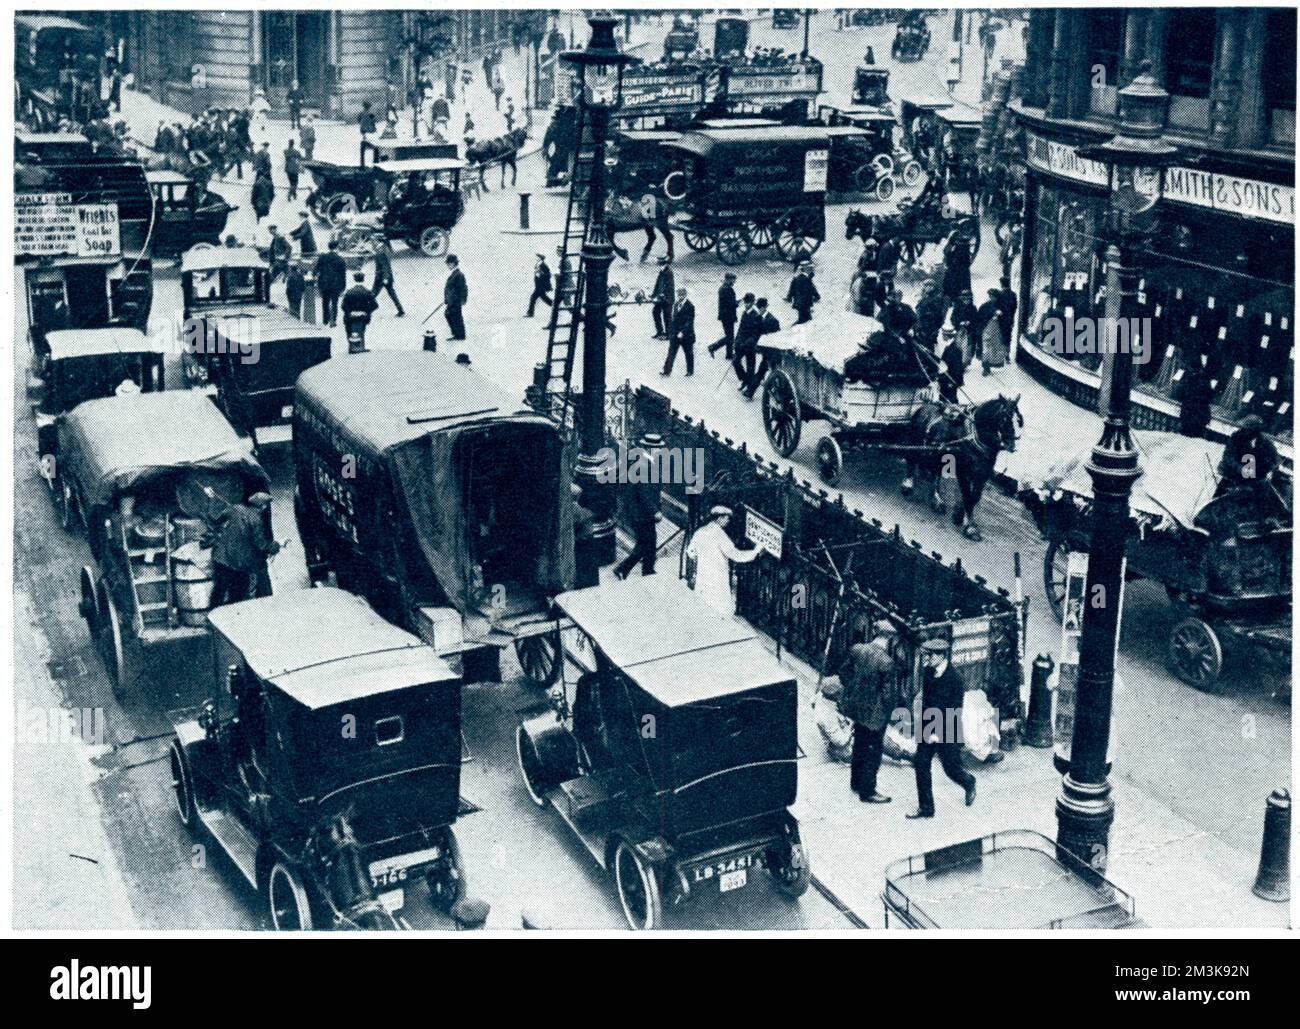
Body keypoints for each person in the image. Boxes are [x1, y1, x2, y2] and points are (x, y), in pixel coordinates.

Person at [908, 639, 976, 819]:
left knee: (951, 768)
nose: (927, 658)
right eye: (926, 654)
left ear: (941, 656)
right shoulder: (928, 672)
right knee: (921, 763)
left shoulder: (955, 679)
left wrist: (937, 734)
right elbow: (927, 702)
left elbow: (954, 712)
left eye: (930, 655)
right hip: (929, 725)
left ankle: (968, 782)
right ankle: (926, 808)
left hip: (947, 728)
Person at [834, 628, 900, 803]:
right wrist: (886, 712)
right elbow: (888, 696)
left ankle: (856, 782)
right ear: (889, 640)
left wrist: (854, 692)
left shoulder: (857, 649)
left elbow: (843, 672)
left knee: (859, 746)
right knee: (873, 752)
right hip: (875, 715)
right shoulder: (887, 662)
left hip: (857, 709)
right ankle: (868, 791)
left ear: (875, 635)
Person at [685, 506, 762, 616]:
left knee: (703, 608)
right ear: (719, 518)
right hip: (717, 578)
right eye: (727, 518)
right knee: (719, 610)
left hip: (703, 575)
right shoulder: (719, 535)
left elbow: (690, 552)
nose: (728, 521)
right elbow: (736, 555)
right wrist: (756, 551)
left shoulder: (700, 532)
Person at [210, 494, 280, 607]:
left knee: (218, 592)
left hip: (221, 558)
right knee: (237, 596)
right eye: (266, 505)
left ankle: (211, 618)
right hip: (237, 564)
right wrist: (277, 545)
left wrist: (212, 499)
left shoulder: (235, 508)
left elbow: (216, 518)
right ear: (262, 506)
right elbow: (261, 546)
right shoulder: (256, 519)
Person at [614, 433, 665, 579]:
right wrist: (655, 511)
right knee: (645, 544)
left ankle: (647, 569)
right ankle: (623, 569)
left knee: (649, 542)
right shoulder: (645, 466)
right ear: (649, 448)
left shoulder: (644, 462)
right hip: (642, 513)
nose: (660, 451)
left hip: (639, 512)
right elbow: (644, 493)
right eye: (657, 448)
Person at [1216, 414, 1280, 499]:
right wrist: (1241, 469)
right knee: (1220, 499)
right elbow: (1228, 456)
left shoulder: (1265, 443)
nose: (1244, 431)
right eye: (1244, 429)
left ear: (1256, 431)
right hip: (1231, 475)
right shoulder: (1236, 437)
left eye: (1249, 430)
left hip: (1251, 481)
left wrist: (1270, 471)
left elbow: (1276, 459)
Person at [740, 298, 781, 400]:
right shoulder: (758, 318)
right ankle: (750, 392)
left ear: (764, 307)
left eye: (760, 309)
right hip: (766, 351)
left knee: (766, 371)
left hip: (773, 351)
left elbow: (777, 336)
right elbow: (756, 334)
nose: (759, 311)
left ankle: (751, 392)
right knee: (763, 371)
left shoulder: (773, 320)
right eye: (758, 309)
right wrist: (746, 344)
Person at [662, 287, 695, 377]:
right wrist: (672, 331)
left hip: (687, 334)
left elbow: (689, 321)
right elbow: (674, 319)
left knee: (688, 353)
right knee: (671, 352)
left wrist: (682, 332)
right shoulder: (676, 304)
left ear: (685, 295)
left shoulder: (690, 306)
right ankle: (666, 370)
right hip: (675, 333)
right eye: (679, 295)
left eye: (682, 295)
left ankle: (690, 371)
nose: (680, 296)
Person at [342, 271, 378, 353]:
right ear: (363, 280)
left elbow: (343, 306)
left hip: (350, 316)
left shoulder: (349, 292)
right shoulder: (367, 292)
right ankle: (361, 346)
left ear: (354, 279)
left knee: (350, 329)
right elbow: (375, 305)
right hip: (363, 316)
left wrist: (349, 312)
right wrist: (367, 311)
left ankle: (352, 346)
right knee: (361, 329)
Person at [314, 240, 348, 327]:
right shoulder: (340, 260)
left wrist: (317, 278)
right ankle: (333, 320)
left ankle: (325, 320)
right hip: (335, 285)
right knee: (334, 303)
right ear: (336, 248)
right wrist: (343, 286)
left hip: (324, 284)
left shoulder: (323, 257)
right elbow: (343, 275)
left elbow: (315, 269)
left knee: (325, 302)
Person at [732, 293, 761, 394]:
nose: (746, 304)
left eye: (749, 302)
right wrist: (736, 341)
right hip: (741, 344)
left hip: (750, 346)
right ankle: (744, 380)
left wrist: (745, 344)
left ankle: (750, 388)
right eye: (745, 302)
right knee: (735, 361)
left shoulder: (756, 316)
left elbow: (755, 335)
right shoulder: (744, 313)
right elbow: (740, 329)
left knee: (750, 368)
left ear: (753, 302)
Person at [368, 239, 404, 317]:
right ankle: (401, 310)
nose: (372, 243)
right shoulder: (384, 248)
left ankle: (366, 310)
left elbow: (385, 266)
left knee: (373, 293)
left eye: (373, 241)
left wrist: (385, 278)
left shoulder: (381, 252)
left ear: (377, 241)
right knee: (392, 294)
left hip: (381, 277)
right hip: (387, 277)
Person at [708, 272, 738, 358]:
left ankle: (729, 354)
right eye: (733, 280)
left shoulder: (722, 288)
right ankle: (713, 347)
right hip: (728, 316)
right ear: (729, 279)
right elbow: (732, 304)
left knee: (729, 336)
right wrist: (741, 302)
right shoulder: (728, 289)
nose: (734, 282)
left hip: (724, 316)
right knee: (729, 336)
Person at [942, 231, 973, 304]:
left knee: (954, 287)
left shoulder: (959, 249)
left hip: (955, 272)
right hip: (961, 273)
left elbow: (947, 255)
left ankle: (954, 299)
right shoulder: (964, 249)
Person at [444, 254, 468, 341]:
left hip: (455, 300)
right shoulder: (454, 274)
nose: (447, 265)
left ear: (453, 264)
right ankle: (457, 334)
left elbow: (463, 288)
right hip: (451, 300)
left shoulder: (459, 275)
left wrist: (462, 300)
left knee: (455, 316)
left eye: (448, 264)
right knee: (449, 315)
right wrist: (446, 299)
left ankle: (459, 335)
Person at [649, 257, 674, 340]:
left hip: (667, 299)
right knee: (655, 312)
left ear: (665, 264)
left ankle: (668, 334)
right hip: (660, 298)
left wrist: (663, 296)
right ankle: (659, 331)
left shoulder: (669, 273)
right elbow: (657, 285)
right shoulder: (661, 271)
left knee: (667, 316)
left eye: (661, 264)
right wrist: (653, 295)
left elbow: (669, 287)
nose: (660, 266)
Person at [939, 330, 966, 404]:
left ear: (946, 336)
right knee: (945, 399)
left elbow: (957, 368)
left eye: (943, 335)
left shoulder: (954, 349)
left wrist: (952, 382)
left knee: (950, 400)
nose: (942, 336)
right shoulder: (949, 346)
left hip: (950, 380)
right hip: (946, 380)